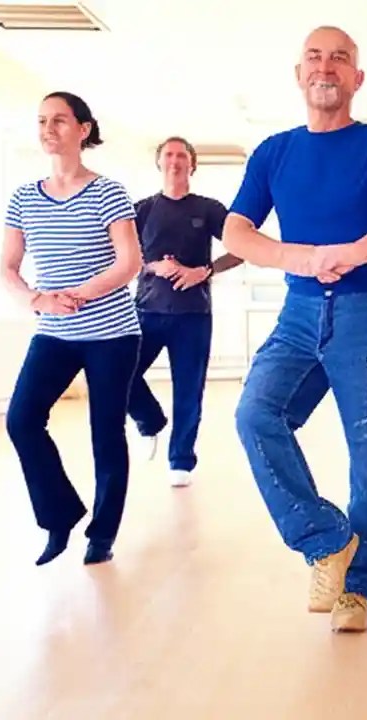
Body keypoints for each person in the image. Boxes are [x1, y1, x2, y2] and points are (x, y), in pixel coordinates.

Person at [222, 26, 367, 633]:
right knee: (254, 414)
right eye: (315, 57)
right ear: (299, 75)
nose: (327, 67)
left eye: (340, 58)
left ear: (356, 79)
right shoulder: (274, 151)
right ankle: (326, 540)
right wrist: (300, 257)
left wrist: (356, 252)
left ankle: (359, 591)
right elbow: (238, 232)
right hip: (297, 312)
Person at [0, 91, 142, 566]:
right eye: (42, 120)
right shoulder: (23, 197)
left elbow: (129, 263)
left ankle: (102, 535)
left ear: (83, 130)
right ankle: (59, 515)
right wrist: (38, 300)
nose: (48, 129)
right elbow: (8, 268)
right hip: (54, 332)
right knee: (21, 419)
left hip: (112, 334)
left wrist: (76, 295)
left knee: (105, 432)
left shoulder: (109, 192)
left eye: (59, 120)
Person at [128, 136, 243, 487]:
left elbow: (241, 249)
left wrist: (203, 271)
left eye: (182, 156)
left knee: (188, 389)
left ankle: (181, 460)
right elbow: (124, 259)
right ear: (159, 163)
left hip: (193, 315)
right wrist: (152, 268)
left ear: (192, 165)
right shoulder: (141, 209)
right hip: (147, 311)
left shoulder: (208, 208)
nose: (175, 161)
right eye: (168, 155)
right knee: (121, 374)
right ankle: (150, 420)